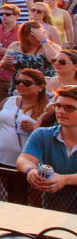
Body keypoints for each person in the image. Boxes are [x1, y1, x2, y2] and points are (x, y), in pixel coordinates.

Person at [19, 85, 77, 213]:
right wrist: (30, 171)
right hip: (53, 213)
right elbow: (24, 159)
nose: (61, 111)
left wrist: (64, 180)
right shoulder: (42, 134)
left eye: (69, 108)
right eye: (58, 106)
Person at [0, 69, 47, 168]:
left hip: (29, 161)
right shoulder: (8, 101)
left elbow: (56, 133)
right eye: (17, 82)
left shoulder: (48, 108)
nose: (21, 85)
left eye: (27, 83)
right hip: (2, 158)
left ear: (41, 87)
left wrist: (35, 127)